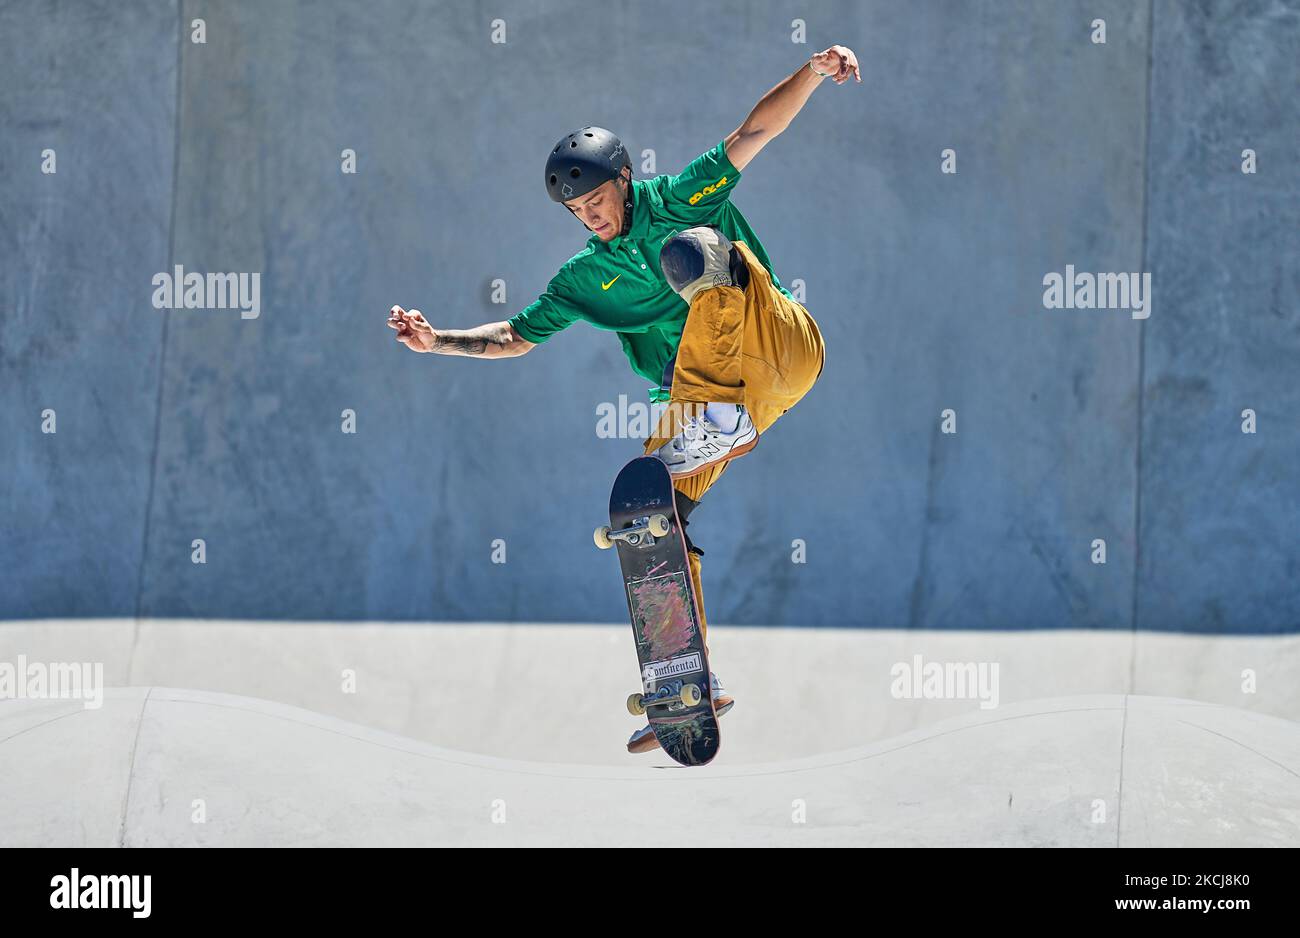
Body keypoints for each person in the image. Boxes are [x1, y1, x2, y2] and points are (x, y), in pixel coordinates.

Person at [389, 45, 860, 753]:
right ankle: (684, 678)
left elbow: (756, 131)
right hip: (718, 401)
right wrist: (439, 341)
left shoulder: (676, 196)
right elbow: (517, 335)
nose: (590, 217)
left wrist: (815, 74)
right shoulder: (584, 276)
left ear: (625, 178)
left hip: (779, 344)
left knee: (692, 251)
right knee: (651, 516)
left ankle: (718, 421)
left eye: (597, 200)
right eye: (576, 210)